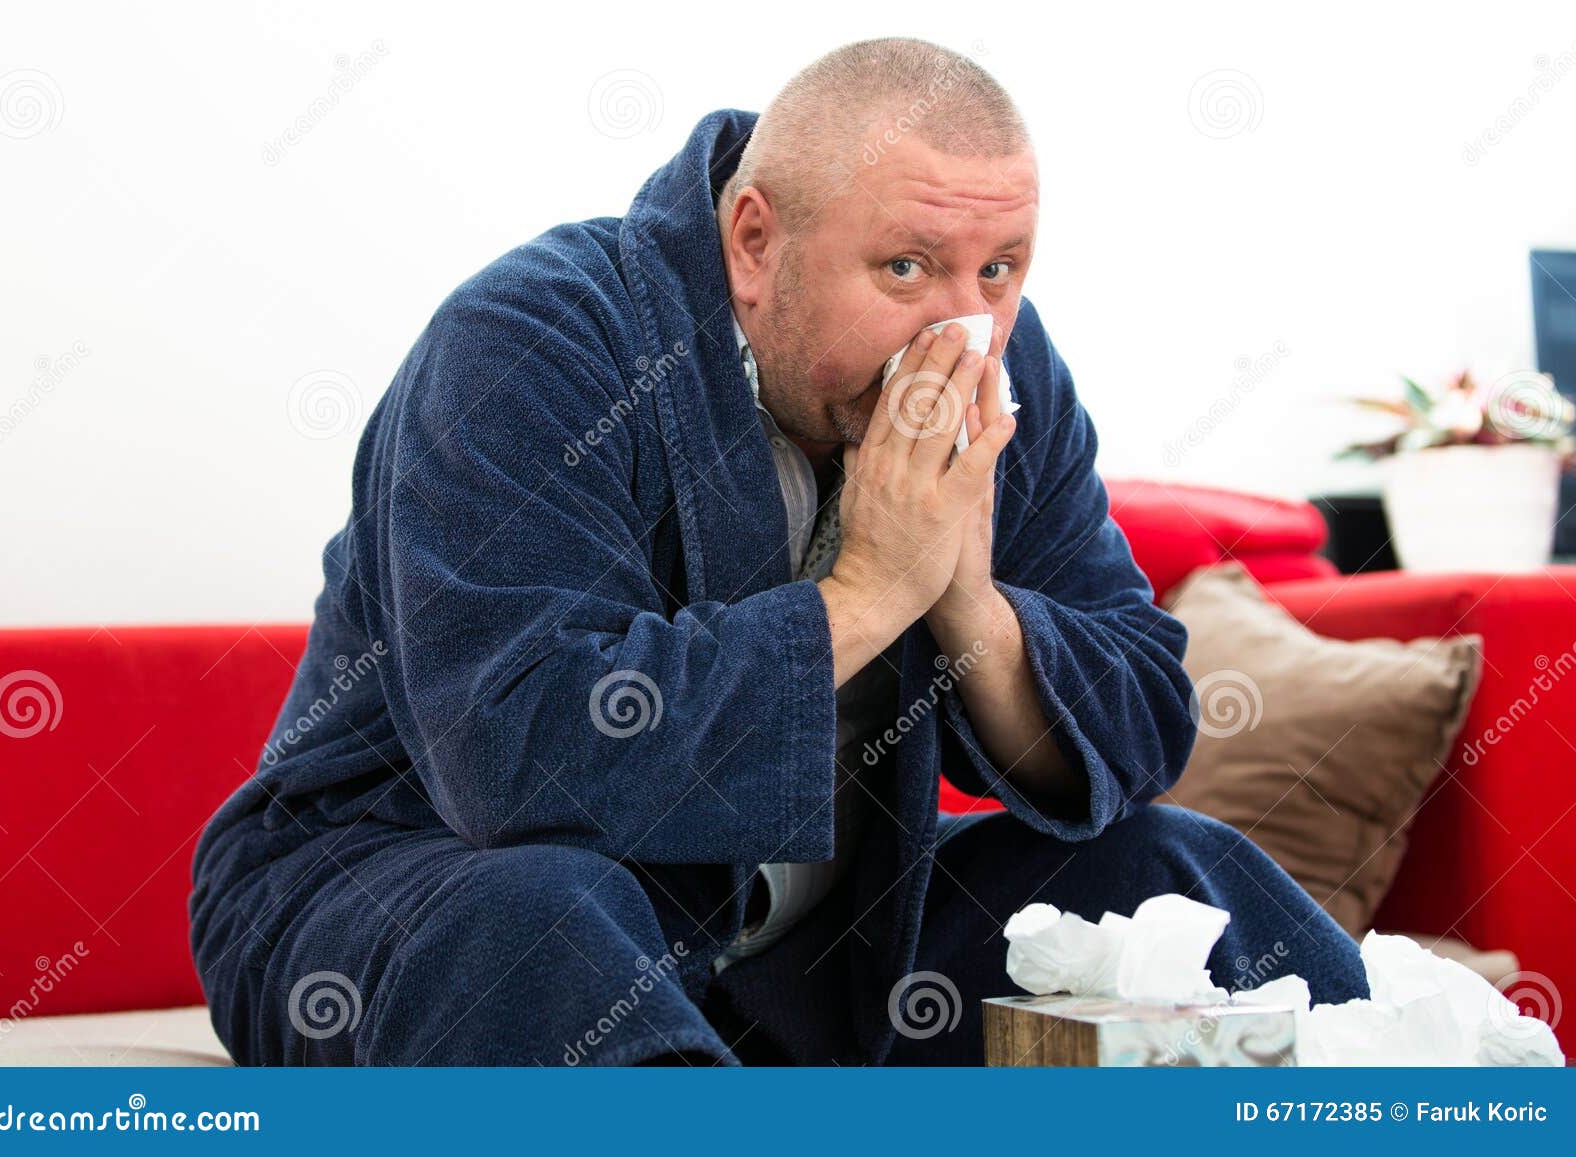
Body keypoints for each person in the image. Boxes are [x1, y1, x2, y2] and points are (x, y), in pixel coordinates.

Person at [189, 37, 1369, 1066]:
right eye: (904, 267)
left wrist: (963, 595)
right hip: (389, 885)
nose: (964, 321)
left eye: (999, 268)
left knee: (1169, 871)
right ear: (753, 242)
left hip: (817, 946)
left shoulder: (1001, 367)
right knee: (542, 917)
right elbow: (517, 757)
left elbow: (1139, 717)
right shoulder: (533, 337)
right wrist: (871, 589)